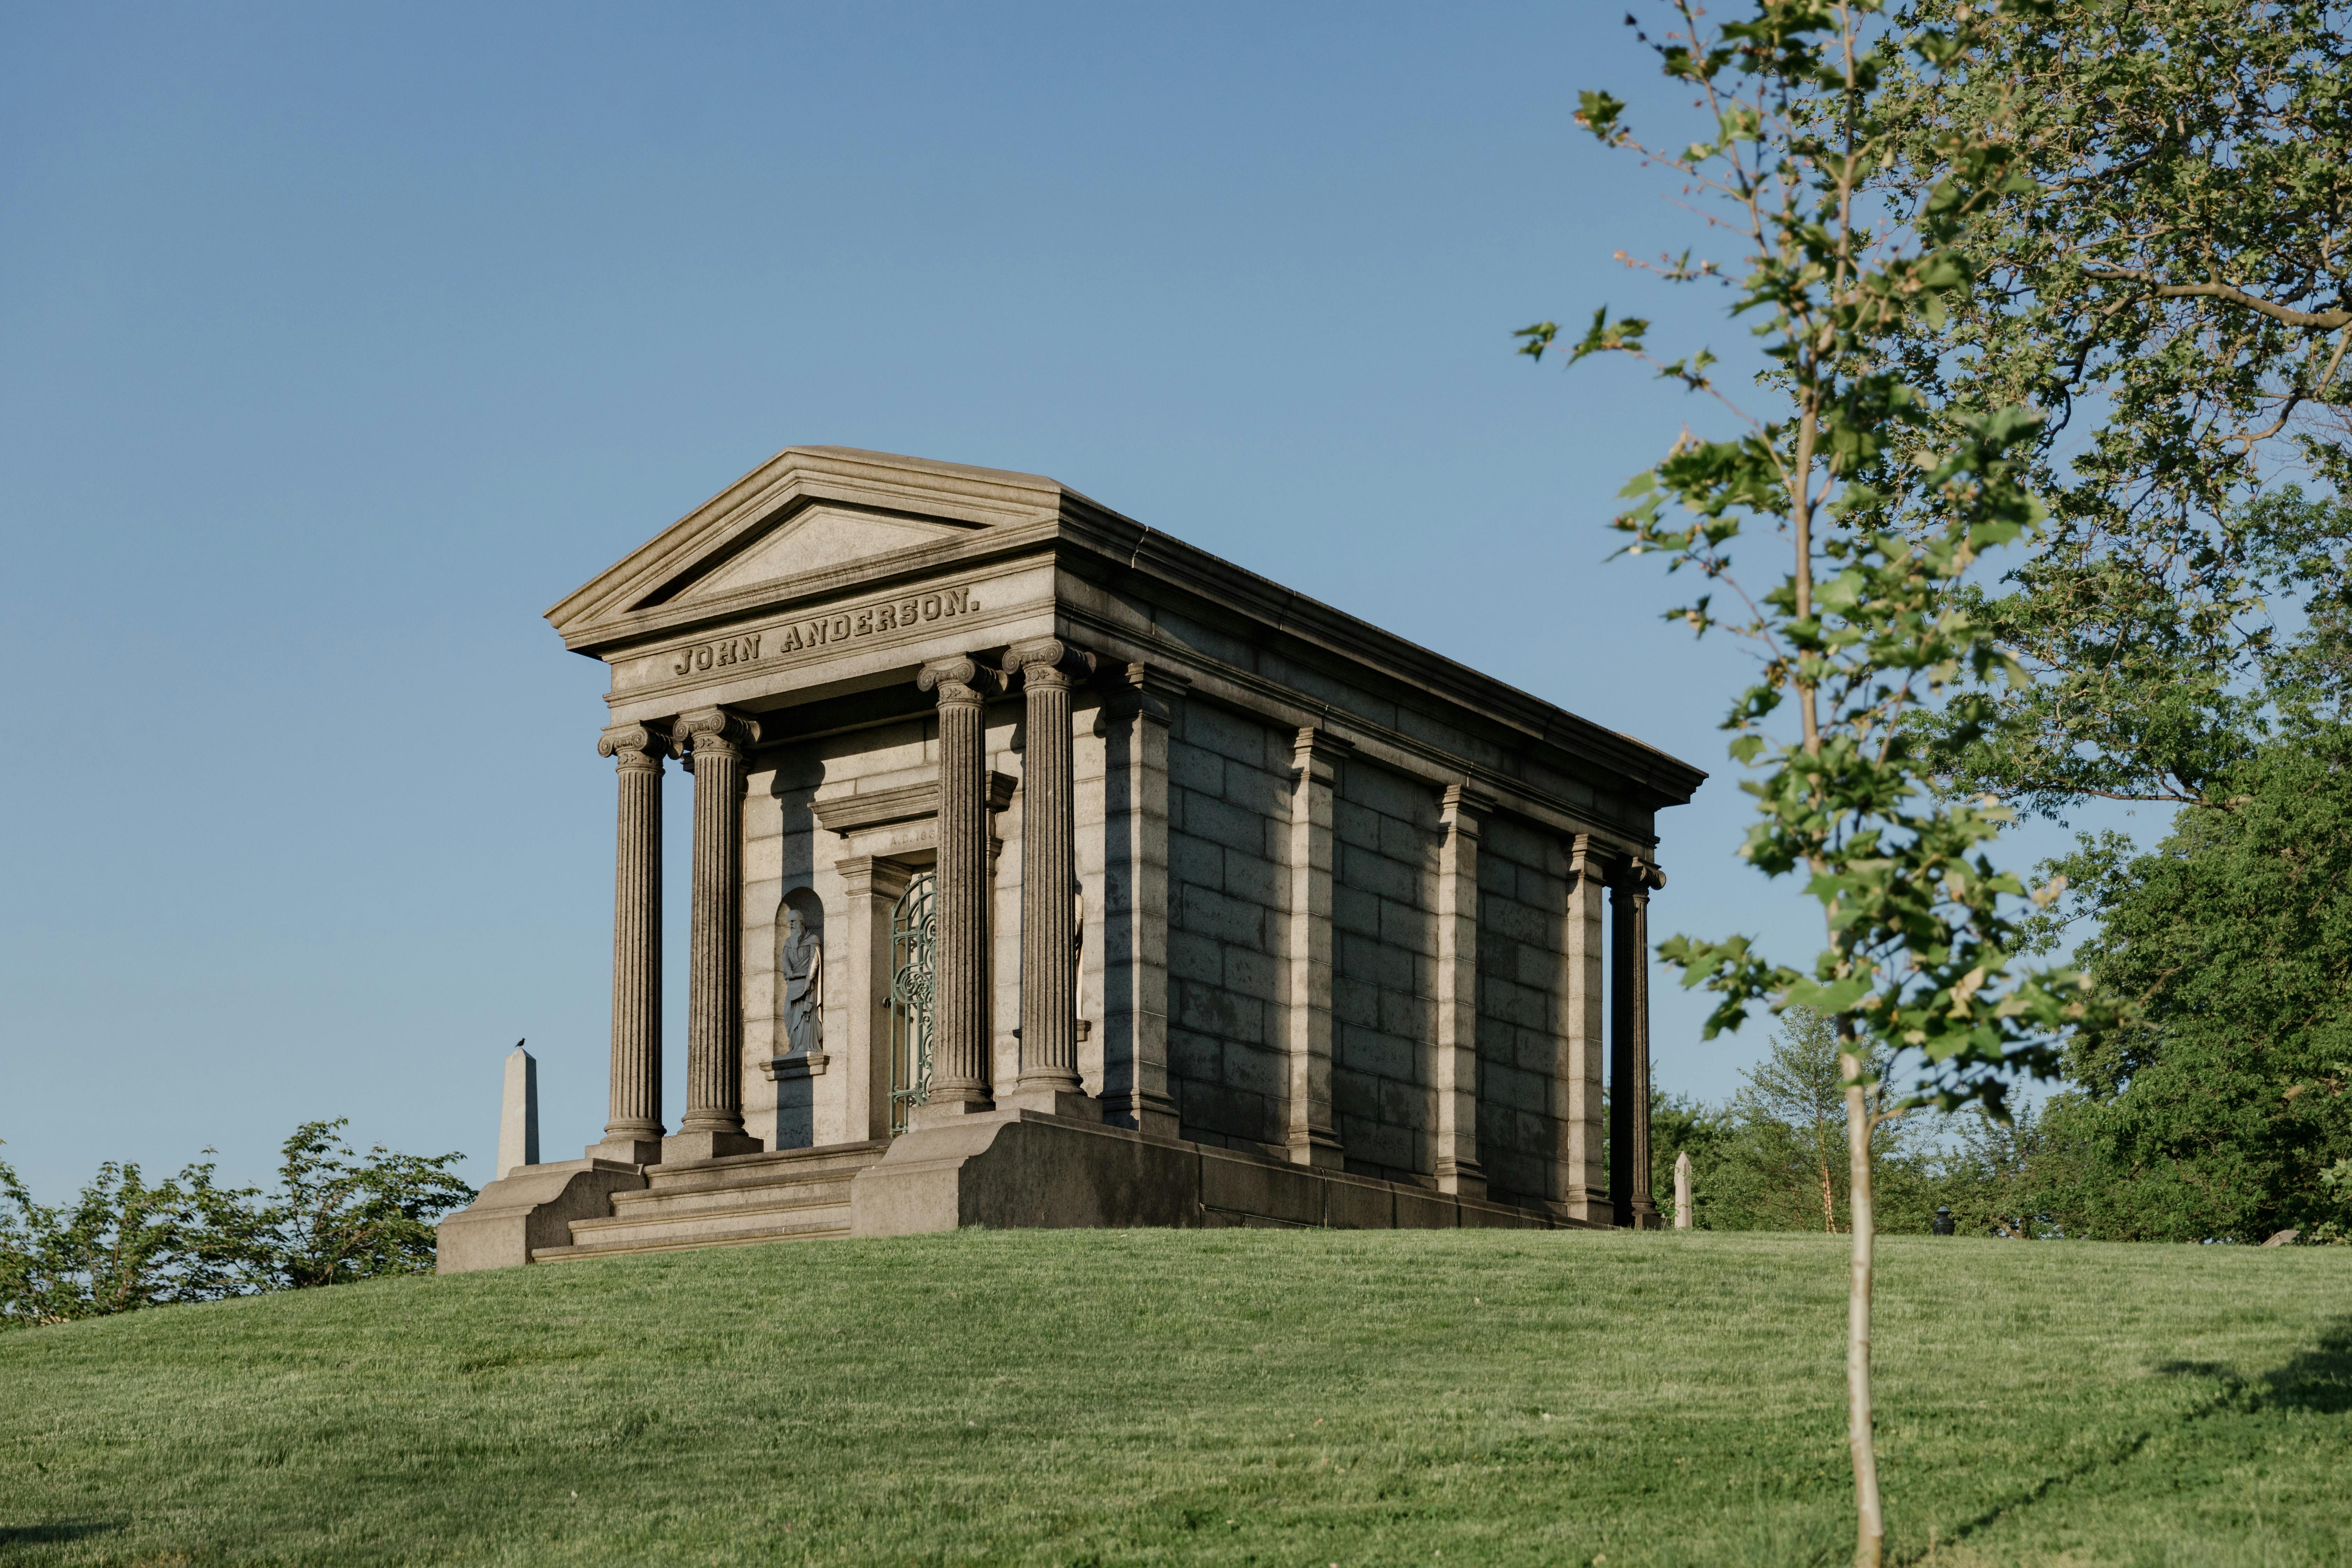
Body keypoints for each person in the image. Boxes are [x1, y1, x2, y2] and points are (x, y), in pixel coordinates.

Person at [779, 905, 822, 1055]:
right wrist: (789, 971)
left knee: (806, 1016)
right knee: (788, 1015)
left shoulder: (812, 940)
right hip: (793, 985)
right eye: (789, 922)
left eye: (793, 921)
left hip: (806, 985)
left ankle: (805, 1045)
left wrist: (808, 980)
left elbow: (814, 961)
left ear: (801, 923)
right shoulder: (789, 942)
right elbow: (785, 959)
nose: (790, 925)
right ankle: (794, 1045)